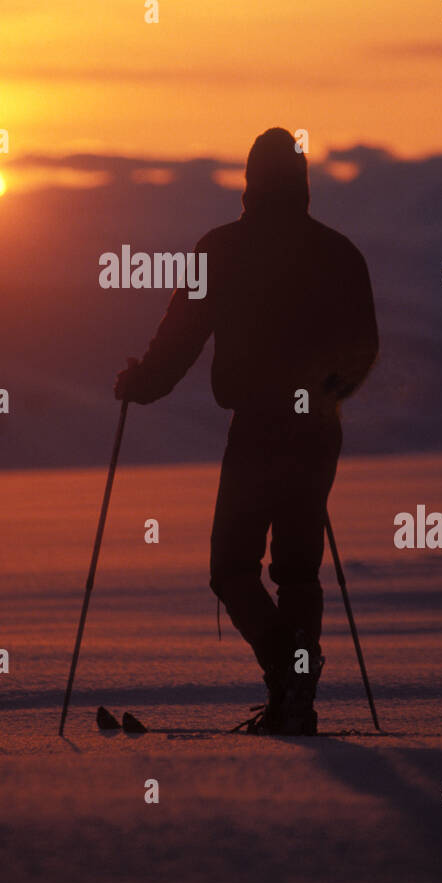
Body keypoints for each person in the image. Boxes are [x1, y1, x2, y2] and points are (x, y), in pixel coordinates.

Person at [114, 127, 378, 734]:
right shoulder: (339, 254)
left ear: (250, 184)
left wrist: (140, 385)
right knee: (298, 571)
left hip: (258, 430)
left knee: (233, 566)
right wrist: (320, 400)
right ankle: (297, 692)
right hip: (316, 433)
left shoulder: (220, 251)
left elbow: (180, 339)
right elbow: (363, 350)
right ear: (303, 182)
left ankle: (288, 673)